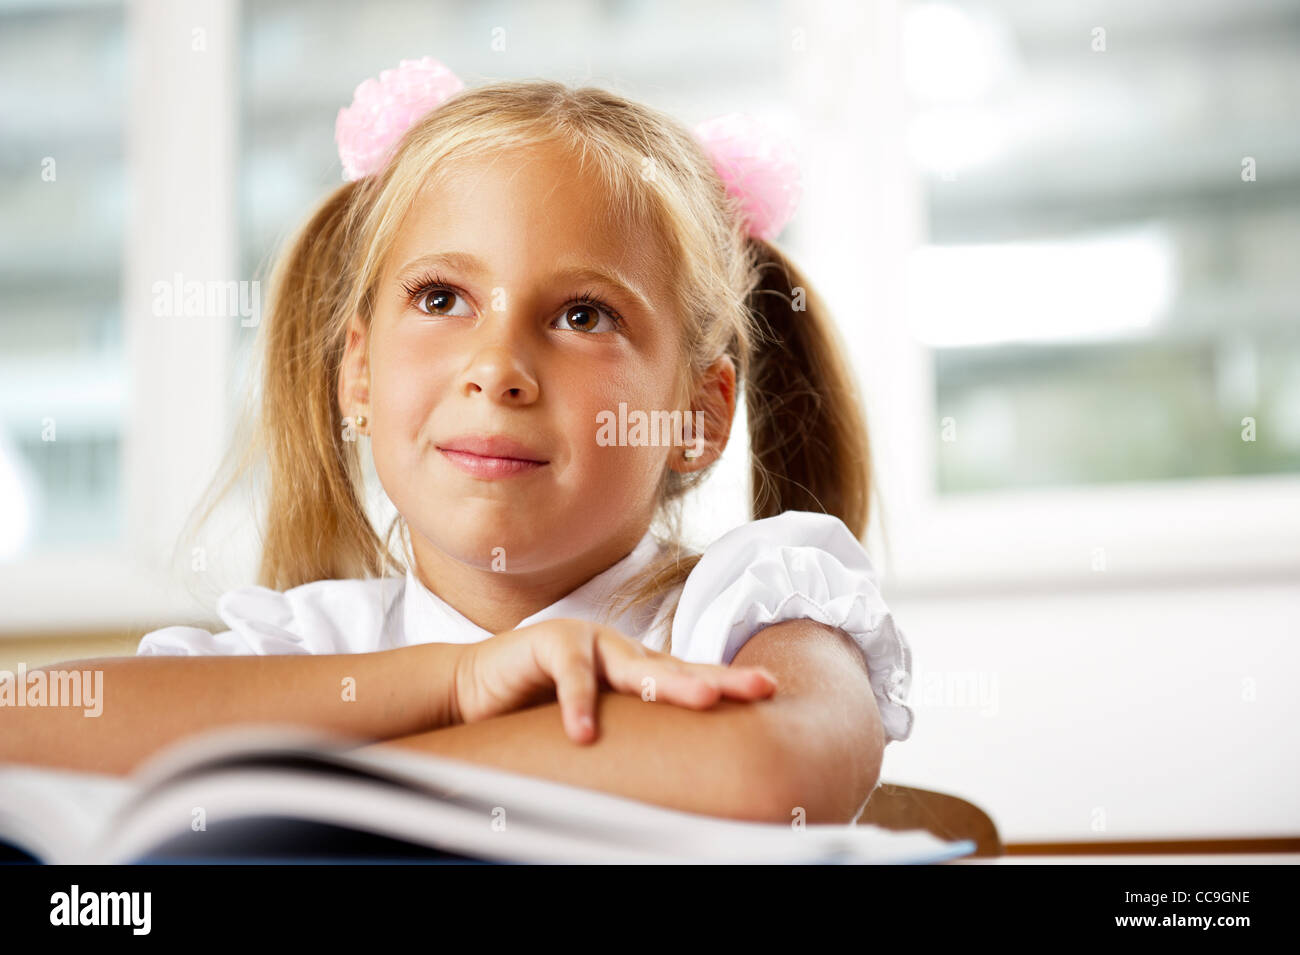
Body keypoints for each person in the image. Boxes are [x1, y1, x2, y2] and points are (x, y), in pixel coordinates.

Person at [3, 57, 913, 825]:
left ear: (698, 414)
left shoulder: (745, 606)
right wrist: (452, 682)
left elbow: (770, 770)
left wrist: (303, 782)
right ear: (357, 373)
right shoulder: (323, 649)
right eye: (441, 299)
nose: (498, 367)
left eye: (583, 314)